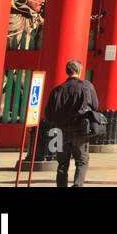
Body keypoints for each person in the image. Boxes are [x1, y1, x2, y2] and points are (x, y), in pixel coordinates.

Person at [45, 59, 98, 188]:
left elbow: (48, 113)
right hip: (80, 130)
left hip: (60, 131)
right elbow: (95, 106)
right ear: (79, 71)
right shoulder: (87, 86)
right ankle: (77, 185)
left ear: (67, 71)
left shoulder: (57, 90)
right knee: (81, 161)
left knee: (62, 164)